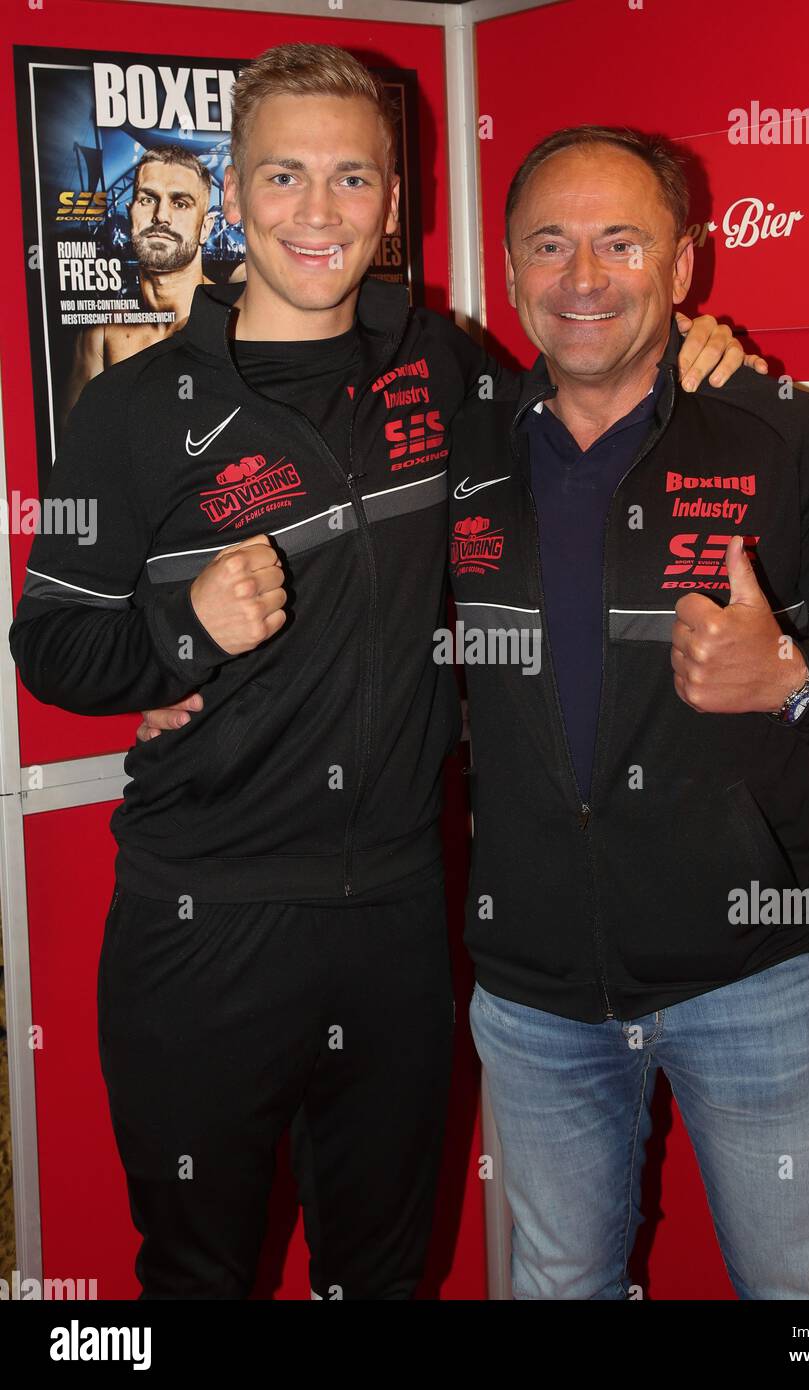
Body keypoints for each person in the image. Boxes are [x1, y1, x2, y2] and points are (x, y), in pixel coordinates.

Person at [9, 45, 753, 1301]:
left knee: (382, 1272)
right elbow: (54, 644)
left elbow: (592, 392)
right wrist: (183, 627)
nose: (318, 211)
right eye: (284, 176)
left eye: (352, 177)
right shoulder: (133, 411)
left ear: (393, 202)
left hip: (400, 915)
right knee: (194, 1275)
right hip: (204, 922)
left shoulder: (447, 366)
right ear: (232, 194)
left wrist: (699, 349)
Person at [447, 126, 809, 1299]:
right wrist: (194, 683)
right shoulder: (459, 444)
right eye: (550, 243)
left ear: (683, 265)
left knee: (802, 1294)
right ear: (510, 263)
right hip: (531, 993)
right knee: (556, 1284)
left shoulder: (783, 434)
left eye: (621, 242)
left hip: (752, 978)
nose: (583, 277)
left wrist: (791, 675)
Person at [62, 147, 218, 420]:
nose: (161, 216)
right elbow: (72, 450)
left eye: (180, 203)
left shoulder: (242, 320)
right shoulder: (102, 334)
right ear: (129, 213)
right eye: (147, 199)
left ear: (206, 227)